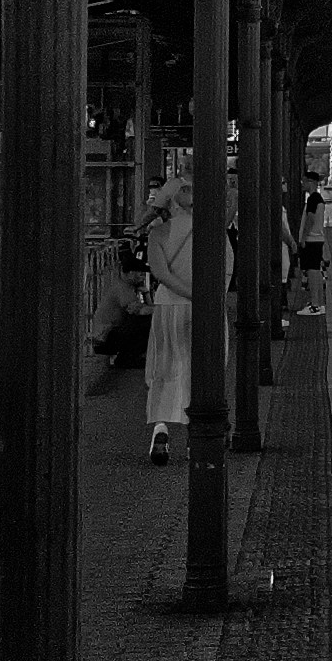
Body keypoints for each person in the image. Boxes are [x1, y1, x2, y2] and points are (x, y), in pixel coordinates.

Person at [140, 158, 197, 465]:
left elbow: (161, 274)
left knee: (165, 368)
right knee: (198, 369)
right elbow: (226, 270)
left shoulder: (158, 234)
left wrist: (183, 292)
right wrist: (200, 296)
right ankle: (195, 438)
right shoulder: (210, 231)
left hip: (167, 306)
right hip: (203, 309)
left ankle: (161, 429)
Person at [290, 187, 326, 322]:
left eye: (304, 181)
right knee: (316, 270)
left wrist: (303, 237)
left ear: (310, 182)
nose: (301, 183)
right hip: (317, 239)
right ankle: (318, 303)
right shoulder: (320, 200)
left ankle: (314, 305)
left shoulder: (312, 199)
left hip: (311, 240)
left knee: (311, 271)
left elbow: (310, 218)